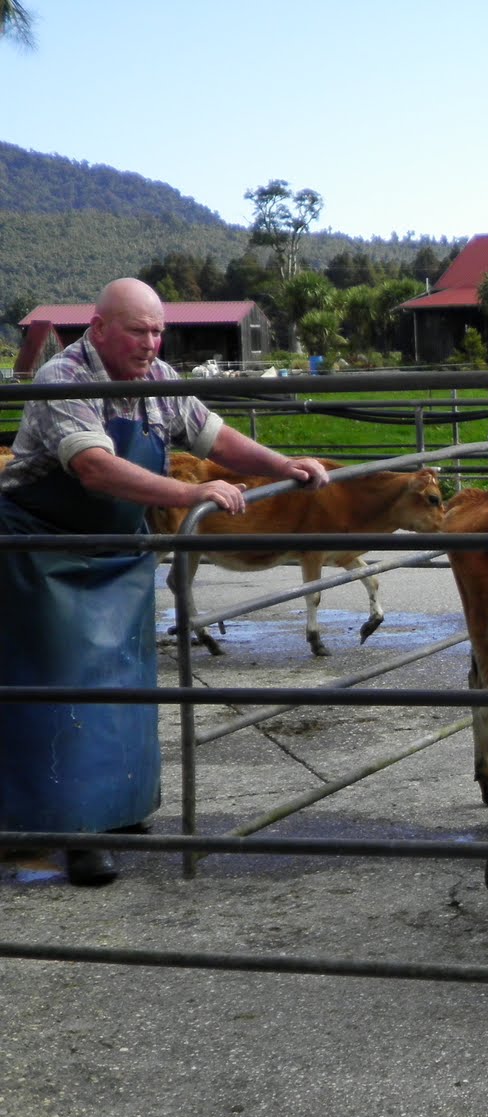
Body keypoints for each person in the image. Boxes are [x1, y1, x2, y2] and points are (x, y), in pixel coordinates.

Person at [0, 278, 330, 886]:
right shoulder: (65, 379)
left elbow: (215, 436)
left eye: (157, 331)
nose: (151, 343)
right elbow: (95, 468)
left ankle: (121, 807)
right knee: (64, 689)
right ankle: (69, 831)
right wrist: (191, 490)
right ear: (99, 328)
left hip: (119, 552)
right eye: (138, 331)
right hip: (44, 553)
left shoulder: (158, 381)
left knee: (126, 683)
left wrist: (282, 464)